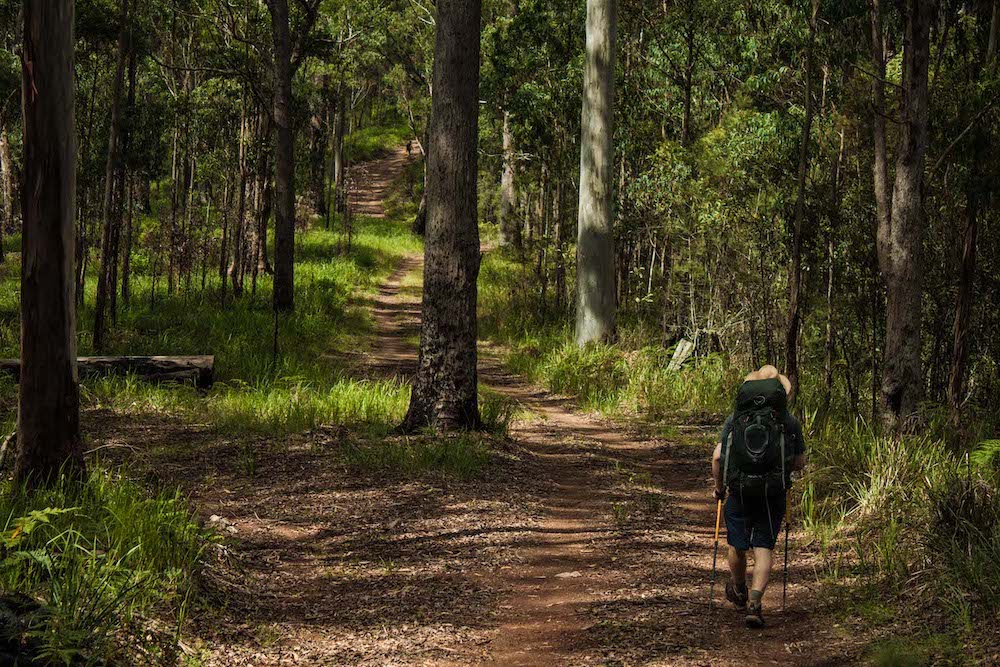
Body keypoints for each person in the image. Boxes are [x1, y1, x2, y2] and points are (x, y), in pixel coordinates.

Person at [711, 365, 806, 628]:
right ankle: (754, 602)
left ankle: (739, 588)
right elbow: (799, 462)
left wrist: (720, 489)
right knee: (764, 547)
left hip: (739, 490)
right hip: (772, 493)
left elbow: (718, 457)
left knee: (737, 545)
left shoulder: (736, 418)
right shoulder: (789, 421)